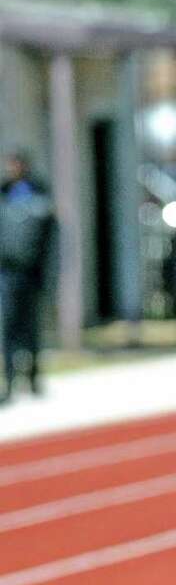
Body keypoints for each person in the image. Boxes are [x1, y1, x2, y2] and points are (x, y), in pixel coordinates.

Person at [0, 152, 55, 403]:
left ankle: (33, 378)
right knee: (9, 328)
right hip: (7, 273)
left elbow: (50, 238)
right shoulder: (4, 194)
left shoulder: (40, 195)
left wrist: (48, 272)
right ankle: (10, 381)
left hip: (32, 273)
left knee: (32, 328)